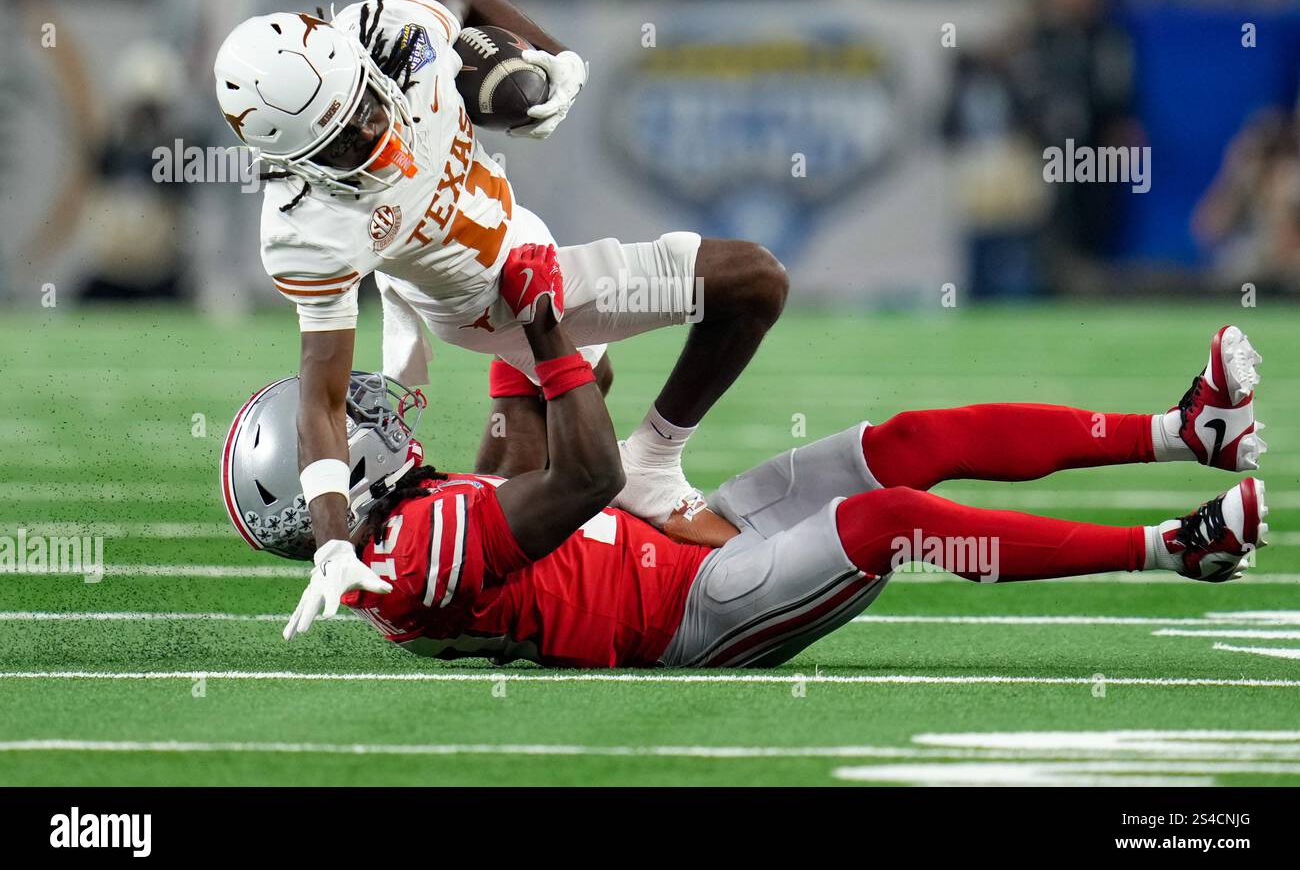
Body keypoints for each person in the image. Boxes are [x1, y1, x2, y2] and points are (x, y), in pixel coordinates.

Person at [222, 277, 1269, 666]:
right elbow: (578, 475)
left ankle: (1189, 430)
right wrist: (551, 340)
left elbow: (527, 455)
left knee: (905, 441)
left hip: (671, 545)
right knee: (890, 515)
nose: (362, 408)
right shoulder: (408, 556)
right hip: (692, 615)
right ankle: (1178, 546)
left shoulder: (411, 523)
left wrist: (507, 310)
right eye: (337, 418)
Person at [212, 0, 788, 636]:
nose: (373, 133)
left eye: (365, 106)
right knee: (754, 282)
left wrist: (558, 57)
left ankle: (462, 588)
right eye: (344, 143)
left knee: (537, 466)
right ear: (294, 163)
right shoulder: (307, 227)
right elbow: (321, 397)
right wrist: (332, 542)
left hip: (519, 234)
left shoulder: (400, 43)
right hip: (490, 303)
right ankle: (652, 462)